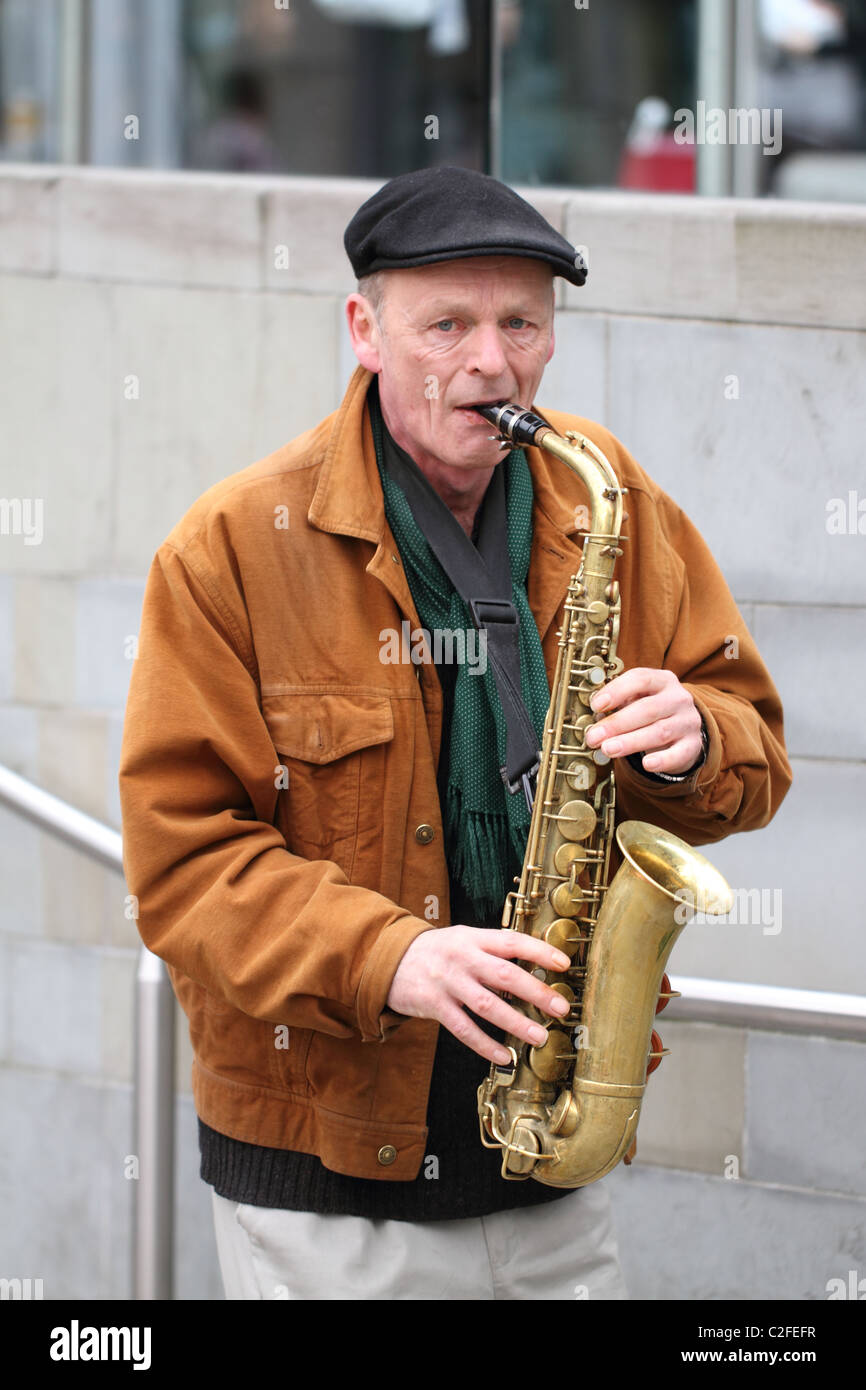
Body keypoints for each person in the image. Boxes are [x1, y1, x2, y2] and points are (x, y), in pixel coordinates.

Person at [118, 166, 792, 1301]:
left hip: (553, 1162)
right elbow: (183, 867)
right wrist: (394, 956)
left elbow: (756, 750)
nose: (490, 362)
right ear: (363, 331)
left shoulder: (603, 491)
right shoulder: (231, 545)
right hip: (325, 1191)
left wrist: (695, 734)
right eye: (447, 324)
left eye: (520, 321)